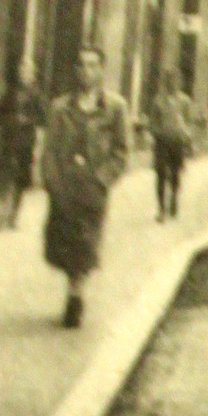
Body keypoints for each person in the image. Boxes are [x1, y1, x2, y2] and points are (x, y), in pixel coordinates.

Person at [41, 48, 129, 328]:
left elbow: (121, 151)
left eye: (92, 66)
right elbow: (50, 150)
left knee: (87, 239)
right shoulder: (60, 107)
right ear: (74, 71)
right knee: (64, 240)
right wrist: (52, 182)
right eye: (80, 65)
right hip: (65, 184)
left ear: (101, 71)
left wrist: (103, 179)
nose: (86, 71)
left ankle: (75, 295)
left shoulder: (114, 107)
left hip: (93, 184)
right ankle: (73, 285)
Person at [0, 76, 44, 229]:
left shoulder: (36, 96)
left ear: (33, 73)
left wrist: (29, 124)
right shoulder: (10, 93)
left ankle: (13, 215)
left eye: (28, 69)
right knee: (4, 177)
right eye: (22, 68)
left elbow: (41, 120)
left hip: (25, 142)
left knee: (20, 180)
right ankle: (0, 214)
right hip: (8, 140)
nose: (24, 73)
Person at [150, 71, 194, 222]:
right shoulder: (158, 101)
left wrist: (187, 138)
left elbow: (189, 122)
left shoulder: (185, 101)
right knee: (160, 175)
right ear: (165, 83)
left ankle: (174, 200)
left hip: (177, 142)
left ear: (179, 83)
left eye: (175, 81)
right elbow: (152, 123)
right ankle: (161, 209)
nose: (172, 84)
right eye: (169, 81)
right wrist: (158, 132)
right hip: (162, 143)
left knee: (175, 174)